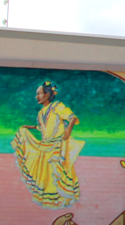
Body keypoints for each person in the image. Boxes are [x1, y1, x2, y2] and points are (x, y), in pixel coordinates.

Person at [12, 80, 83, 209]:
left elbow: (72, 117)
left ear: (47, 95)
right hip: (46, 146)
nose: (36, 96)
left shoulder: (57, 106)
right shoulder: (41, 113)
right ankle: (50, 200)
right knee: (47, 175)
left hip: (56, 146)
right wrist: (30, 127)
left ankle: (63, 199)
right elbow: (43, 127)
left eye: (39, 93)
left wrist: (68, 130)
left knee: (58, 173)